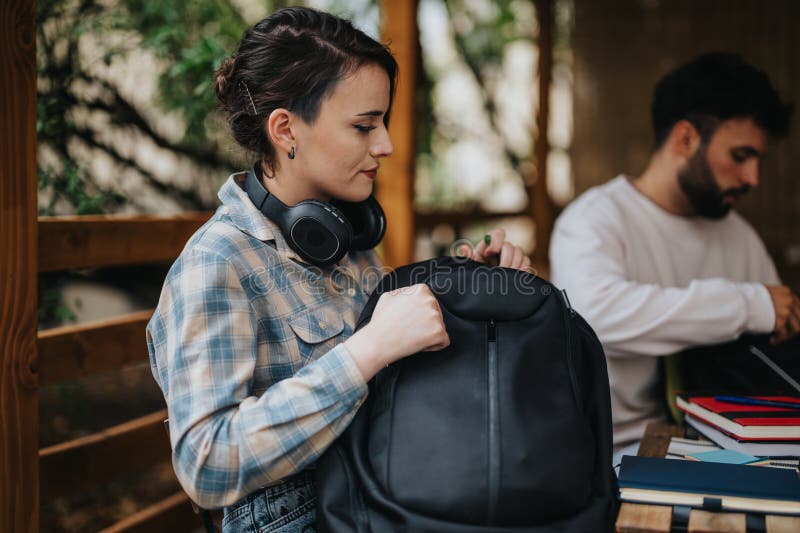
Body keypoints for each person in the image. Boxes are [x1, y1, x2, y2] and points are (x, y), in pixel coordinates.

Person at [146, 7, 531, 533]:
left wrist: (467, 287)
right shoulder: (218, 266)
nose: (386, 145)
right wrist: (366, 352)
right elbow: (206, 465)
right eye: (364, 126)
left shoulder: (344, 239)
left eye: (384, 123)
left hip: (376, 502)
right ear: (285, 129)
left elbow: (393, 371)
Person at [549, 53, 797, 465]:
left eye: (758, 161)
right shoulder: (594, 220)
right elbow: (592, 314)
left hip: (734, 455)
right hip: (611, 458)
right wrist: (748, 305)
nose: (753, 179)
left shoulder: (741, 238)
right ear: (686, 140)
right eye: (740, 157)